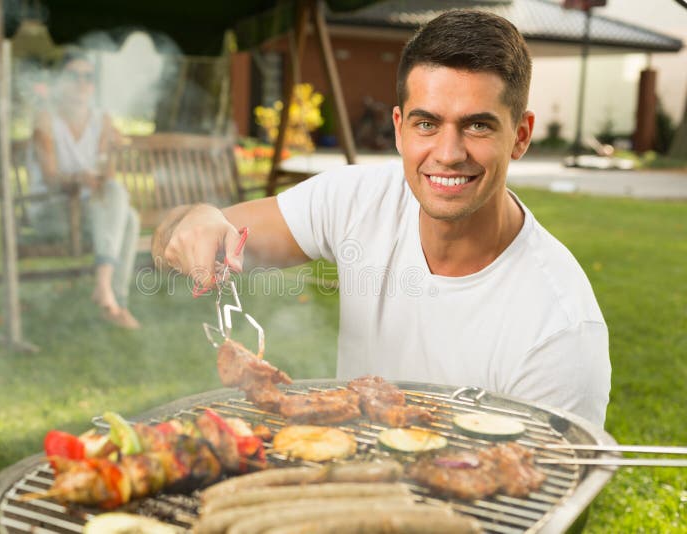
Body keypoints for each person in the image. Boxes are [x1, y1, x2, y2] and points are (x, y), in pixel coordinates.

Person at [152, 10, 611, 426]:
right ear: (398, 128)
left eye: (477, 125)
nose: (448, 154)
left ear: (521, 135)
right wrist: (193, 222)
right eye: (426, 124)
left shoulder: (559, 328)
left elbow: (544, 505)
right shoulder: (357, 199)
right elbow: (190, 232)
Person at [27, 51, 141, 329]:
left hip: (89, 214)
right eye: (73, 76)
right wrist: (79, 178)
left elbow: (106, 177)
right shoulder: (45, 120)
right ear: (59, 82)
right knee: (128, 218)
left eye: (88, 77)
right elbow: (51, 178)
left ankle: (107, 292)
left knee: (126, 210)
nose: (82, 83)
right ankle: (113, 299)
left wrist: (107, 163)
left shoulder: (101, 120)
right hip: (51, 212)